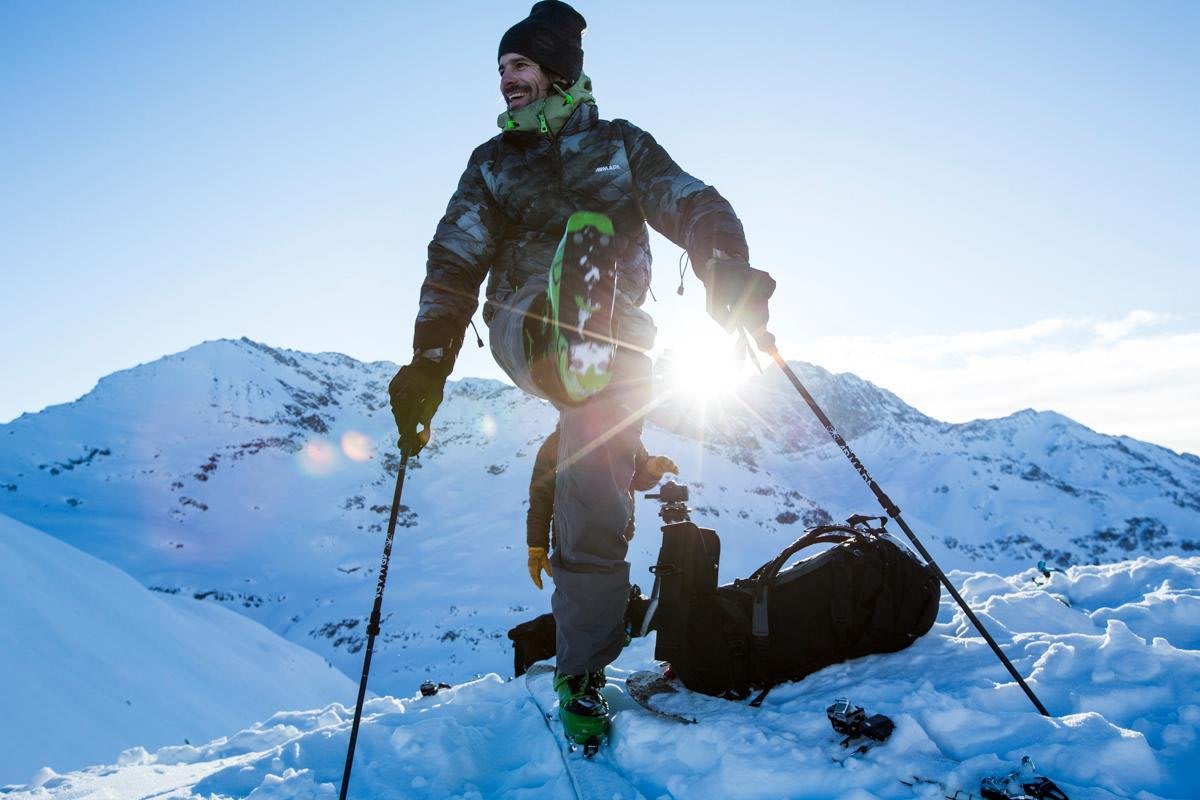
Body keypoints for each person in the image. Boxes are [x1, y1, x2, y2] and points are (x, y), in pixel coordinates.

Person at [388, 0, 775, 748]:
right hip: (528, 324)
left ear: (559, 71)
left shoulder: (622, 147)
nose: (507, 79)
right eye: (501, 67)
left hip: (619, 355)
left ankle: (582, 671)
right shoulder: (493, 165)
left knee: (595, 495)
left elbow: (693, 202)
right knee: (578, 258)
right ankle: (575, 307)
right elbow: (454, 262)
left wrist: (726, 268)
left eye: (520, 64)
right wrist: (429, 364)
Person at [526, 427, 678, 590]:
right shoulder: (558, 442)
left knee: (609, 596)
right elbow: (541, 495)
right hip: (571, 542)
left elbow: (639, 478)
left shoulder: (626, 436)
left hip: (615, 538)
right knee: (576, 599)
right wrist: (537, 544)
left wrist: (652, 468)